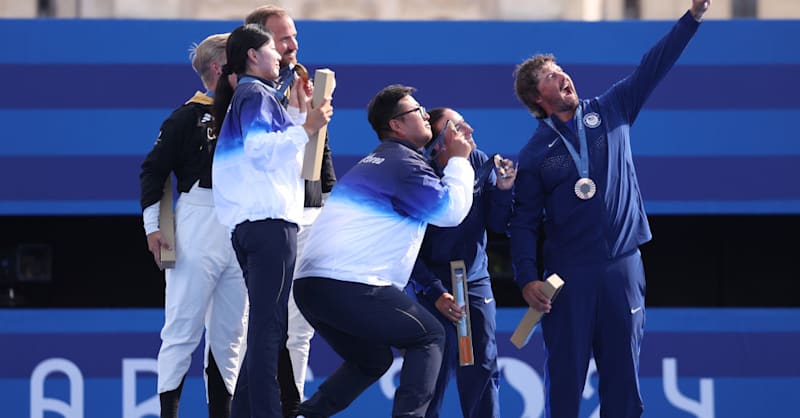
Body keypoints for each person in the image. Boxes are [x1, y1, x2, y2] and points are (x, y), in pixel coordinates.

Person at [509, 1, 711, 417]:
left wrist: (691, 18)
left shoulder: (611, 107)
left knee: (623, 379)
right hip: (568, 276)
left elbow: (653, 66)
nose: (563, 75)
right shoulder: (534, 155)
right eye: (550, 76)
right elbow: (524, 224)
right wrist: (527, 278)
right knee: (565, 381)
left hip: (622, 266)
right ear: (537, 97)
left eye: (560, 69)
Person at [292, 85, 474, 418]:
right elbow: (450, 212)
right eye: (417, 111)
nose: (426, 115)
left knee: (372, 360)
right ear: (396, 125)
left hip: (311, 288)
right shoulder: (404, 165)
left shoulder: (382, 161)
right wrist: (460, 162)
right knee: (430, 336)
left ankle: (306, 415)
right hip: (348, 285)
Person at [211, 24, 332, 418]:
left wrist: (298, 113)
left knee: (267, 327)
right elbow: (263, 151)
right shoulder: (256, 93)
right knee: (269, 330)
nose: (281, 56)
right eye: (272, 49)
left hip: (253, 226)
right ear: (252, 55)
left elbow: (273, 156)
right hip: (269, 226)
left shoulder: (251, 95)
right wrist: (309, 126)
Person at [139, 33, 247, 418]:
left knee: (230, 336)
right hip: (199, 219)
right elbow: (153, 171)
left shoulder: (252, 110)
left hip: (241, 224)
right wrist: (154, 227)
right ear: (219, 67)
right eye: (238, 58)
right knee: (182, 329)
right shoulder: (187, 116)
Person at [244, 6, 338, 416]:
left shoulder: (304, 83)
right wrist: (301, 117)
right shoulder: (251, 92)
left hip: (309, 214)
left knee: (300, 330)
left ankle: (292, 406)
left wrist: (328, 200)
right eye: (283, 39)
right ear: (259, 45)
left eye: (294, 37)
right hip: (269, 219)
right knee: (260, 327)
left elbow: (321, 150)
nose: (293, 45)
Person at [407, 107, 515, 418]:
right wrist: (435, 292)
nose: (469, 129)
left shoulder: (479, 161)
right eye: (458, 127)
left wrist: (504, 190)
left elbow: (498, 224)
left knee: (482, 369)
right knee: (430, 375)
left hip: (475, 280)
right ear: (439, 144)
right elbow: (408, 250)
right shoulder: (418, 176)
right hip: (432, 288)